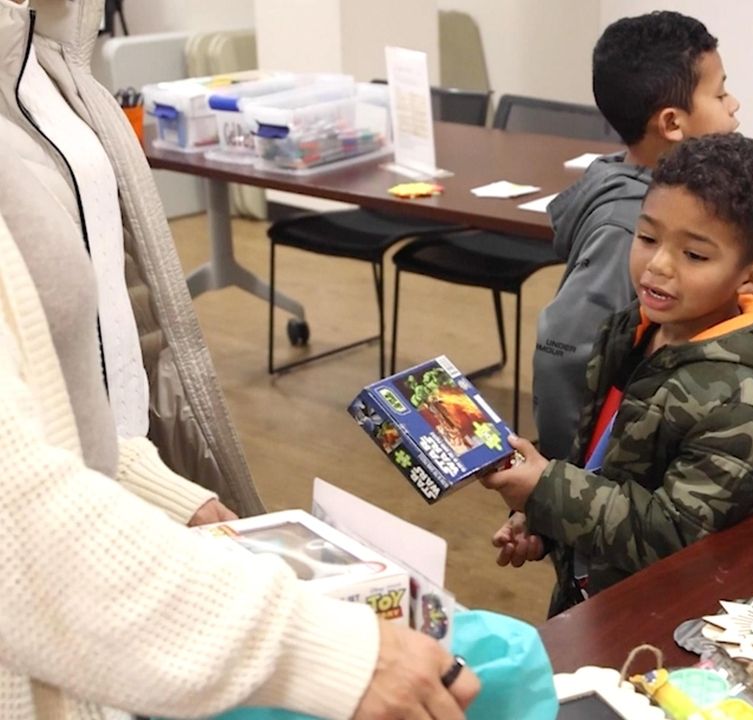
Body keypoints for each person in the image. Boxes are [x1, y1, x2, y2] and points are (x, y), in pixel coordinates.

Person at [0, 1, 477, 717]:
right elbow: (20, 523)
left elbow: (56, 395)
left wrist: (167, 492)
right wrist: (324, 655)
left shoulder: (48, 67)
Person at [486, 134, 753, 615]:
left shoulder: (739, 401)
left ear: (752, 277)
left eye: (695, 256)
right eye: (646, 238)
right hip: (604, 598)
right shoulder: (632, 329)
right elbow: (608, 469)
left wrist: (548, 491)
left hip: (677, 623)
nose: (658, 266)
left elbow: (672, 536)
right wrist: (545, 522)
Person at [532, 10, 740, 460]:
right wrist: (555, 487)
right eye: (720, 93)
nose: (734, 104)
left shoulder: (651, 195)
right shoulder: (628, 226)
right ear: (671, 124)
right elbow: (564, 352)